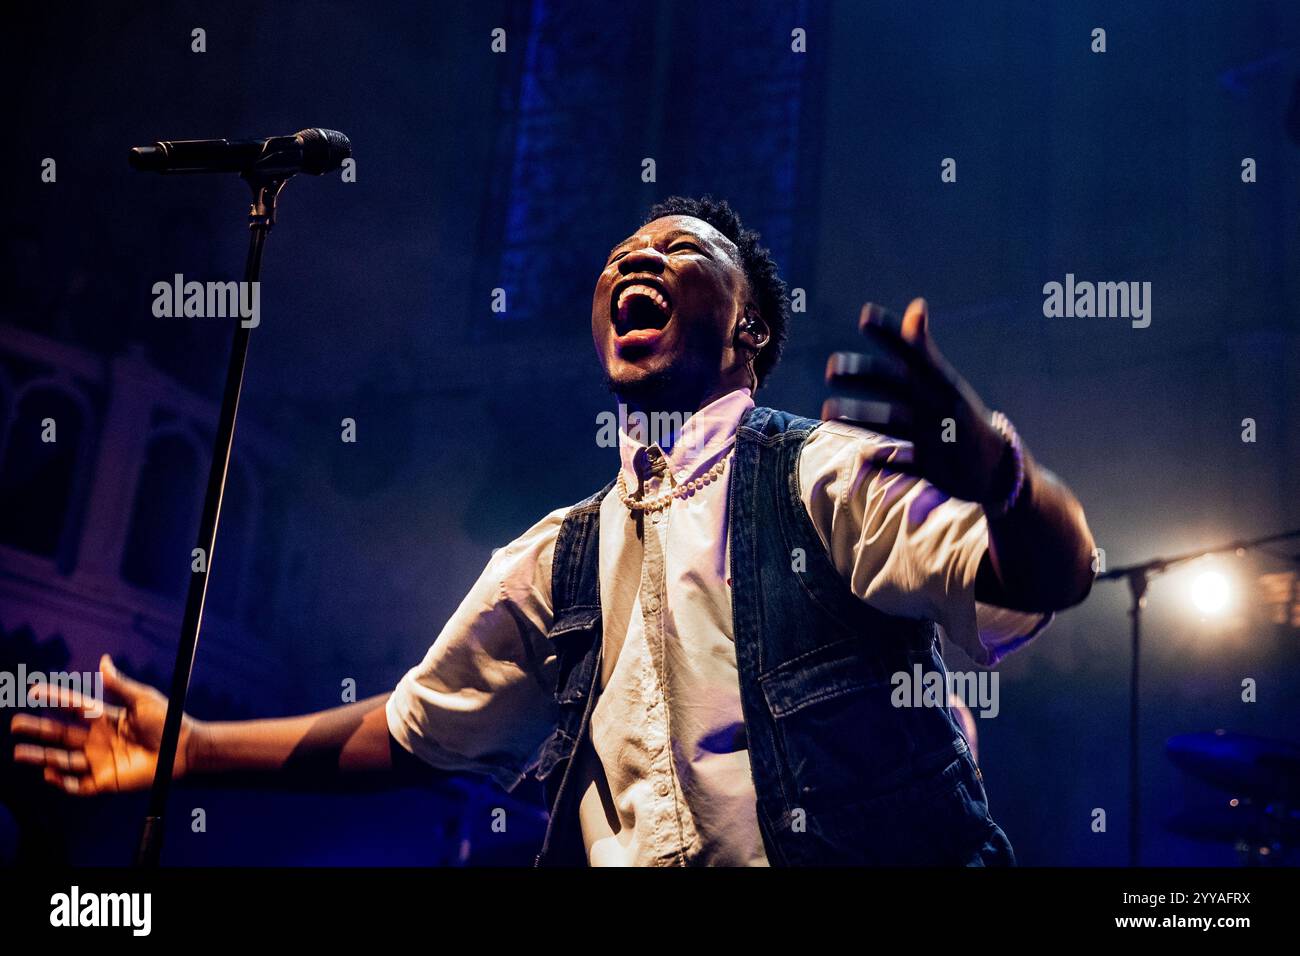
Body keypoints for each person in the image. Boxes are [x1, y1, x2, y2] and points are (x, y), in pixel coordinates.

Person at [10, 195, 1094, 866]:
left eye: (678, 249)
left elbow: (1054, 568)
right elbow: (408, 729)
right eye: (622, 252)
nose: (636, 260)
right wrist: (187, 749)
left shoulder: (819, 470)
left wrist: (996, 471)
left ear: (750, 323)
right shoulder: (556, 556)